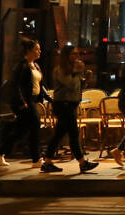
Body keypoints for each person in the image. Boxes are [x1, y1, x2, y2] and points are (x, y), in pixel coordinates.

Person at [40, 44, 98, 174]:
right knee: (74, 133)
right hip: (63, 105)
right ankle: (82, 162)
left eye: (77, 54)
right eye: (73, 54)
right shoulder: (60, 69)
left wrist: (85, 79)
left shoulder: (72, 69)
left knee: (59, 134)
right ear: (66, 56)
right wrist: (77, 71)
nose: (77, 57)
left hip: (70, 104)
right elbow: (70, 84)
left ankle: (47, 161)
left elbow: (77, 86)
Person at [0, 38, 49, 168]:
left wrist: (49, 98)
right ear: (29, 51)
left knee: (21, 130)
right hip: (24, 102)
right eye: (37, 49)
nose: (40, 51)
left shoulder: (36, 65)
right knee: (35, 125)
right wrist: (22, 102)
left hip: (32, 100)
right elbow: (15, 85)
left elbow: (39, 85)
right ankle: (36, 159)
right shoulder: (21, 66)